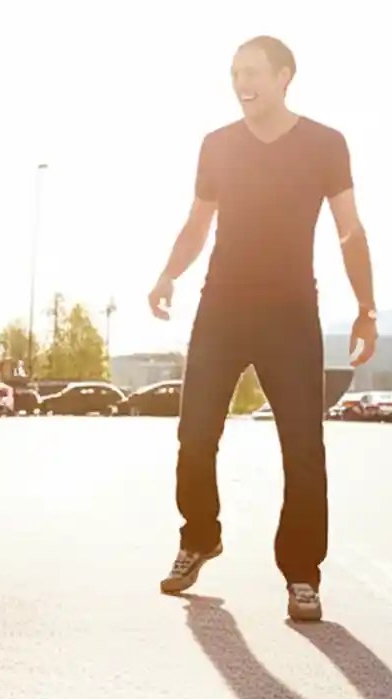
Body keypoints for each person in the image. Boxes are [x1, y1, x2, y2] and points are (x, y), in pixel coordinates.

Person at [147, 36, 378, 622]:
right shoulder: (218, 145)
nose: (240, 81)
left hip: (291, 313)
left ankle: (302, 574)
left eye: (251, 71)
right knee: (195, 433)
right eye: (233, 72)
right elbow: (197, 224)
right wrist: (168, 274)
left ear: (284, 77)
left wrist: (367, 306)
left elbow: (349, 230)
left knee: (303, 448)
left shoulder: (326, 144)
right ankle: (199, 536)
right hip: (221, 309)